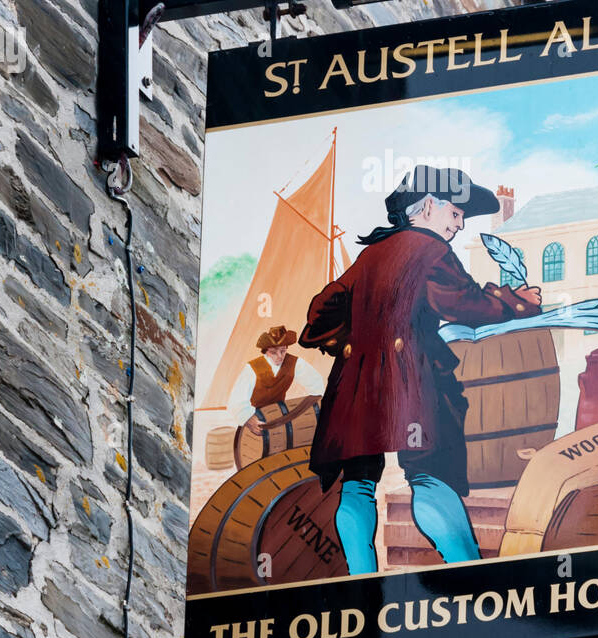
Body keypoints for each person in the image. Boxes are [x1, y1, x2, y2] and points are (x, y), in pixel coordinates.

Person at [299, 168, 542, 574]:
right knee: (430, 477)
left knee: (358, 483)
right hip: (413, 383)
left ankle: (361, 578)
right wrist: (518, 301)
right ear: (428, 205)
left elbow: (320, 311)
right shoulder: (429, 250)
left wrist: (355, 343)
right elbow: (467, 306)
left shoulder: (371, 254)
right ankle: (468, 574)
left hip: (355, 387)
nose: (460, 224)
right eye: (456, 212)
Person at [227, 324, 325, 433]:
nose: (279, 356)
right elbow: (236, 400)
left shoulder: (294, 363)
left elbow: (317, 385)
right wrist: (248, 419)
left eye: (283, 351)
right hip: (256, 419)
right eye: (273, 352)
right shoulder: (252, 368)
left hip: (279, 416)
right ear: (266, 351)